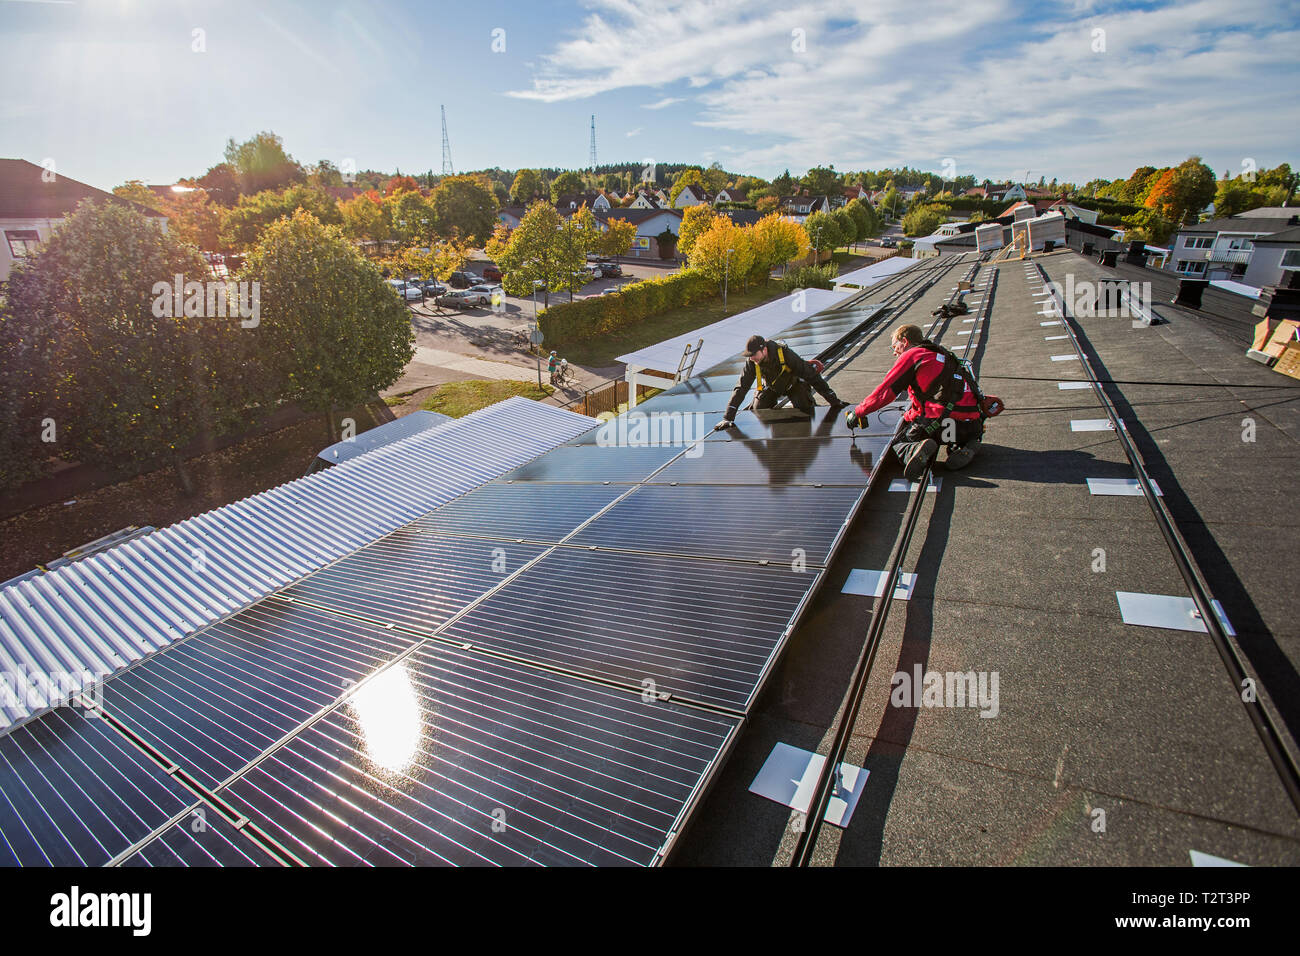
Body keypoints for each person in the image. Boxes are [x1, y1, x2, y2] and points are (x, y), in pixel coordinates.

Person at [844, 324, 985, 479]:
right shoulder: (943, 354)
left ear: (904, 341)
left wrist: (858, 412)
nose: (894, 352)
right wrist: (909, 416)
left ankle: (913, 450)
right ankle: (967, 445)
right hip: (971, 424)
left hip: (940, 424)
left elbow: (884, 393)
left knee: (894, 447)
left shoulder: (912, 355)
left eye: (895, 346)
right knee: (947, 425)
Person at [716, 334, 850, 429]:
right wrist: (728, 417)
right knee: (758, 410)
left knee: (805, 409)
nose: (751, 359)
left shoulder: (785, 354)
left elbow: (811, 375)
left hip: (793, 385)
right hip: (772, 387)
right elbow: (741, 387)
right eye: (749, 356)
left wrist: (833, 400)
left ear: (764, 350)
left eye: (754, 355)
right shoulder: (752, 362)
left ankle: (808, 403)